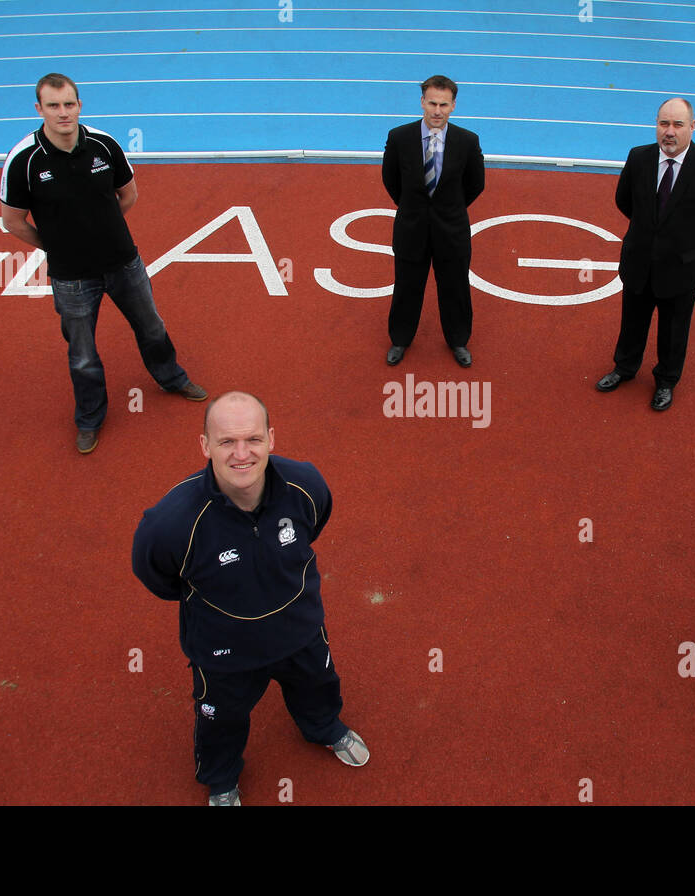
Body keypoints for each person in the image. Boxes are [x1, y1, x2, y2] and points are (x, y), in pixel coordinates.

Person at [131, 392, 369, 805]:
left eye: (253, 439)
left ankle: (324, 727)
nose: (242, 454)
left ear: (271, 439)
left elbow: (316, 523)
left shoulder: (306, 485)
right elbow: (157, 576)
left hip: (301, 631)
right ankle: (222, 780)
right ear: (205, 446)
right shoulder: (171, 523)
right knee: (220, 721)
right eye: (226, 442)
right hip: (224, 653)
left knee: (318, 685)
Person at [0, 73, 206, 455]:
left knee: (151, 326)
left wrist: (106, 230)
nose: (62, 113)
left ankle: (172, 378)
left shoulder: (104, 145)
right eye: (53, 105)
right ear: (39, 109)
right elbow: (12, 221)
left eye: (68, 104)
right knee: (81, 353)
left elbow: (128, 195)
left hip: (123, 263)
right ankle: (90, 418)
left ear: (79, 105)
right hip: (71, 277)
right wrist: (56, 246)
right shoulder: (24, 161)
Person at [596, 97, 695, 410]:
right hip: (639, 261)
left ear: (692, 127)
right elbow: (624, 200)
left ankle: (666, 381)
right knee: (632, 321)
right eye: (664, 124)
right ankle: (625, 368)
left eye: (677, 124)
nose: (669, 132)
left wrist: (687, 238)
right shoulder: (639, 157)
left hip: (681, 267)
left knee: (674, 331)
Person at [382, 75, 485, 368]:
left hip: (451, 230)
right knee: (406, 286)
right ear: (422, 103)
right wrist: (413, 208)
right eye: (432, 103)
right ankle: (400, 339)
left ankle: (458, 341)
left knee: (455, 287)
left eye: (443, 104)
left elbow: (476, 184)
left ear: (453, 106)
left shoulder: (467, 141)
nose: (437, 111)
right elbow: (390, 180)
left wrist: (449, 208)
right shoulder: (399, 137)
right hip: (411, 228)